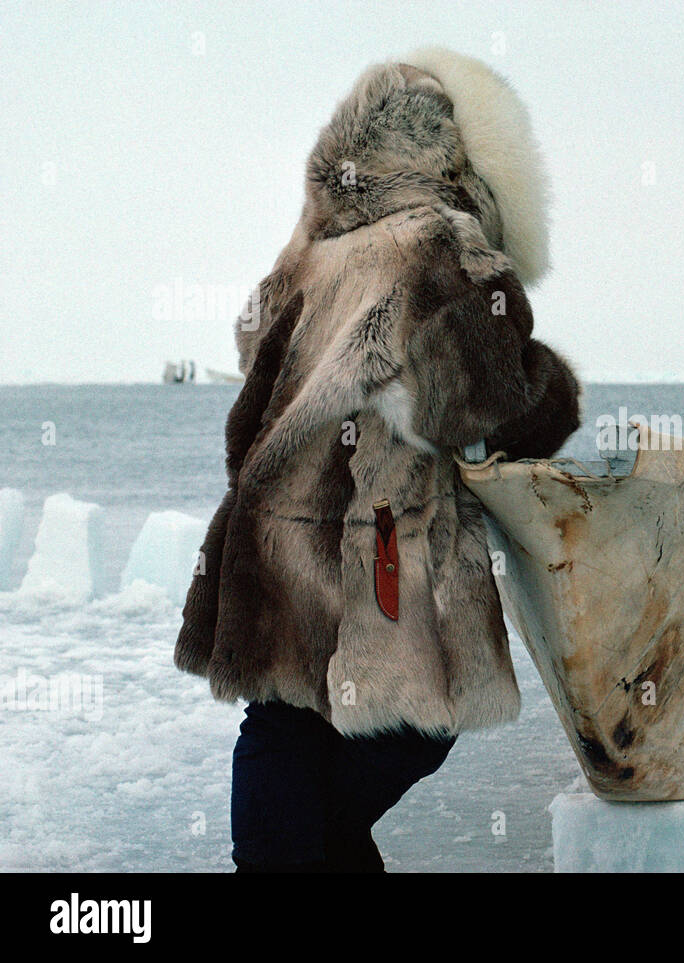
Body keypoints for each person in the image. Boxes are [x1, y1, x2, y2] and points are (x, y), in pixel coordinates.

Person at [174, 48, 580, 872]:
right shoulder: (441, 240)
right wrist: (554, 394)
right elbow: (483, 396)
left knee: (287, 711)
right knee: (413, 724)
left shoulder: (310, 249)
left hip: (278, 519)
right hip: (382, 537)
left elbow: (254, 346)